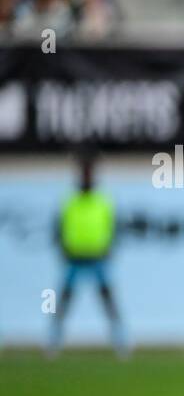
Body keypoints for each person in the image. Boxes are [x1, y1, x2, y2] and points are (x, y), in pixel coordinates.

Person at [48, 153, 128, 358]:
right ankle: (52, 342)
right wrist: (63, 248)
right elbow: (58, 228)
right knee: (62, 301)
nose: (86, 176)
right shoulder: (69, 200)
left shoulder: (104, 200)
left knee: (108, 300)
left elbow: (113, 228)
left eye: (89, 171)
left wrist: (109, 248)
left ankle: (121, 343)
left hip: (97, 257)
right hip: (74, 258)